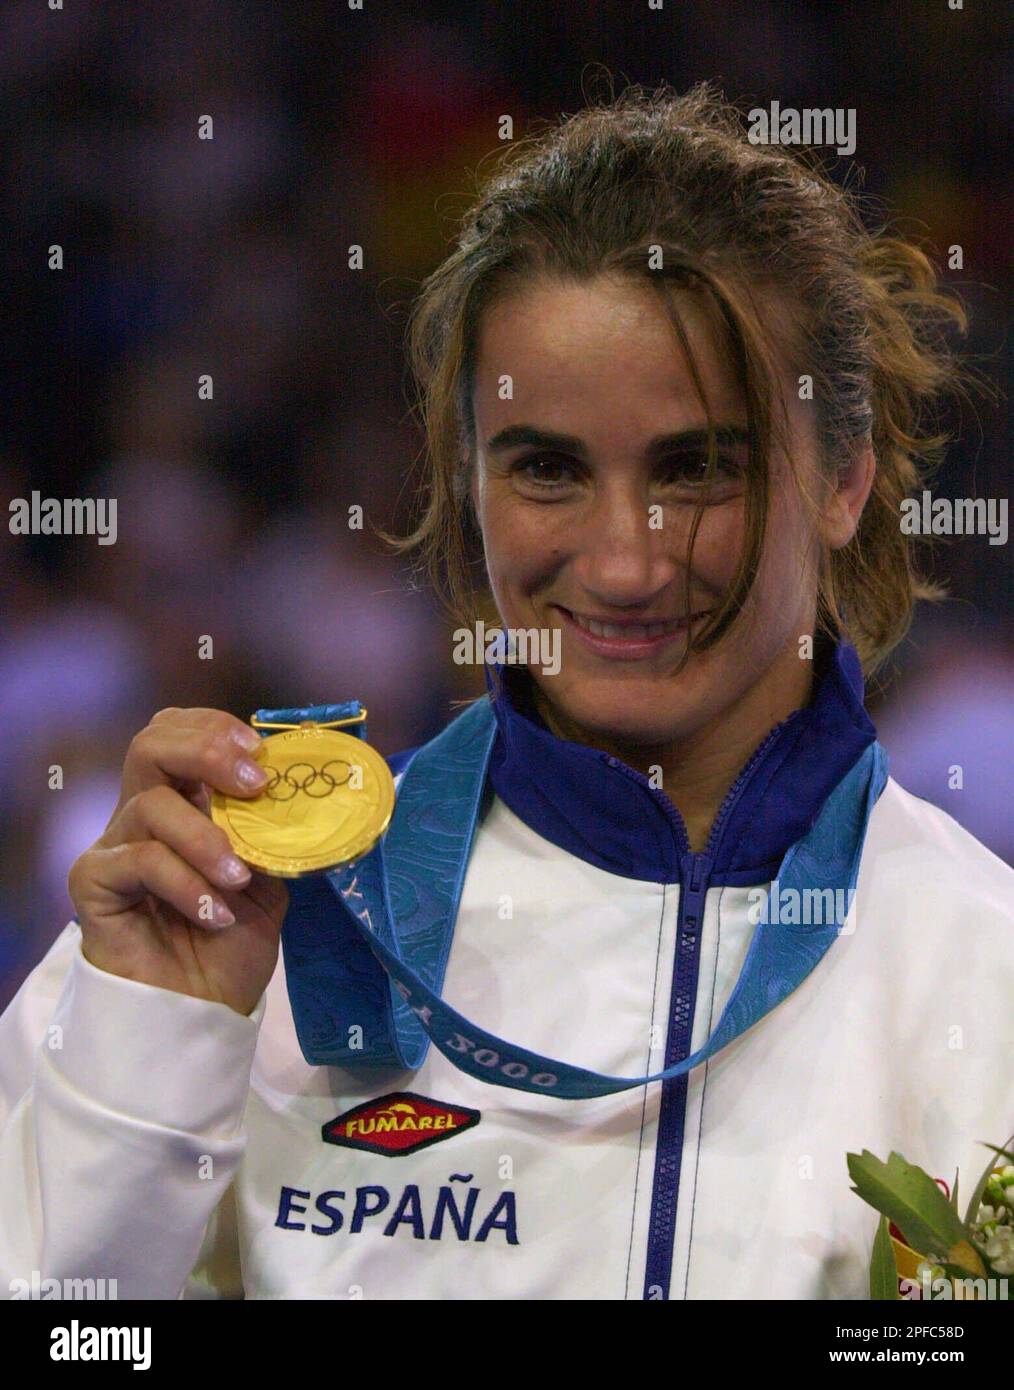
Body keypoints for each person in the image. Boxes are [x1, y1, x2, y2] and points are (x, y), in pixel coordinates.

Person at [1, 81, 1010, 1301]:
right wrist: (145, 1059)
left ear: (845, 480)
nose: (627, 563)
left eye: (696, 469)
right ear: (468, 479)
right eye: (547, 469)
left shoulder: (983, 979)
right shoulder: (241, 931)